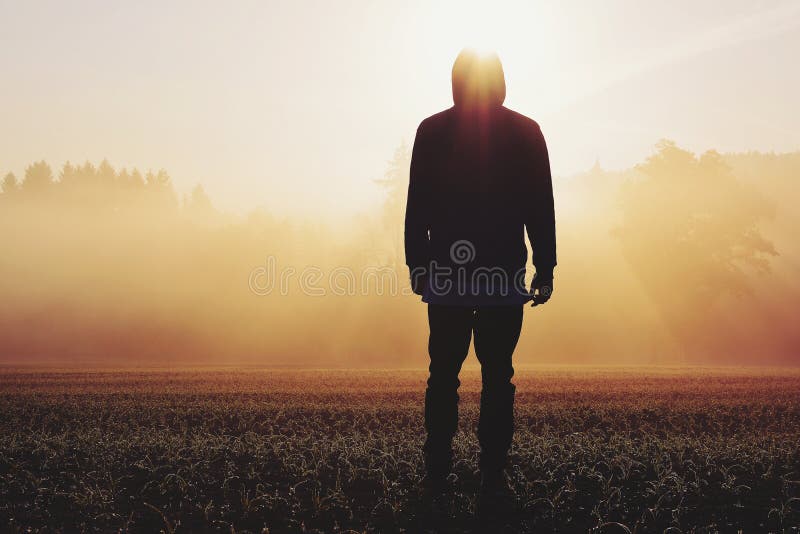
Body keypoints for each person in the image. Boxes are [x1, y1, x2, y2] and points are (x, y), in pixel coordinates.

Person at [404, 48, 557, 513]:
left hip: (447, 275)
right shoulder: (526, 131)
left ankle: (437, 473)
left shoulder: (432, 130)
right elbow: (540, 204)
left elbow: (418, 204)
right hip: (503, 273)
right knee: (498, 377)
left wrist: (417, 262)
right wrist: (545, 266)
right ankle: (492, 476)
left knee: (442, 376)